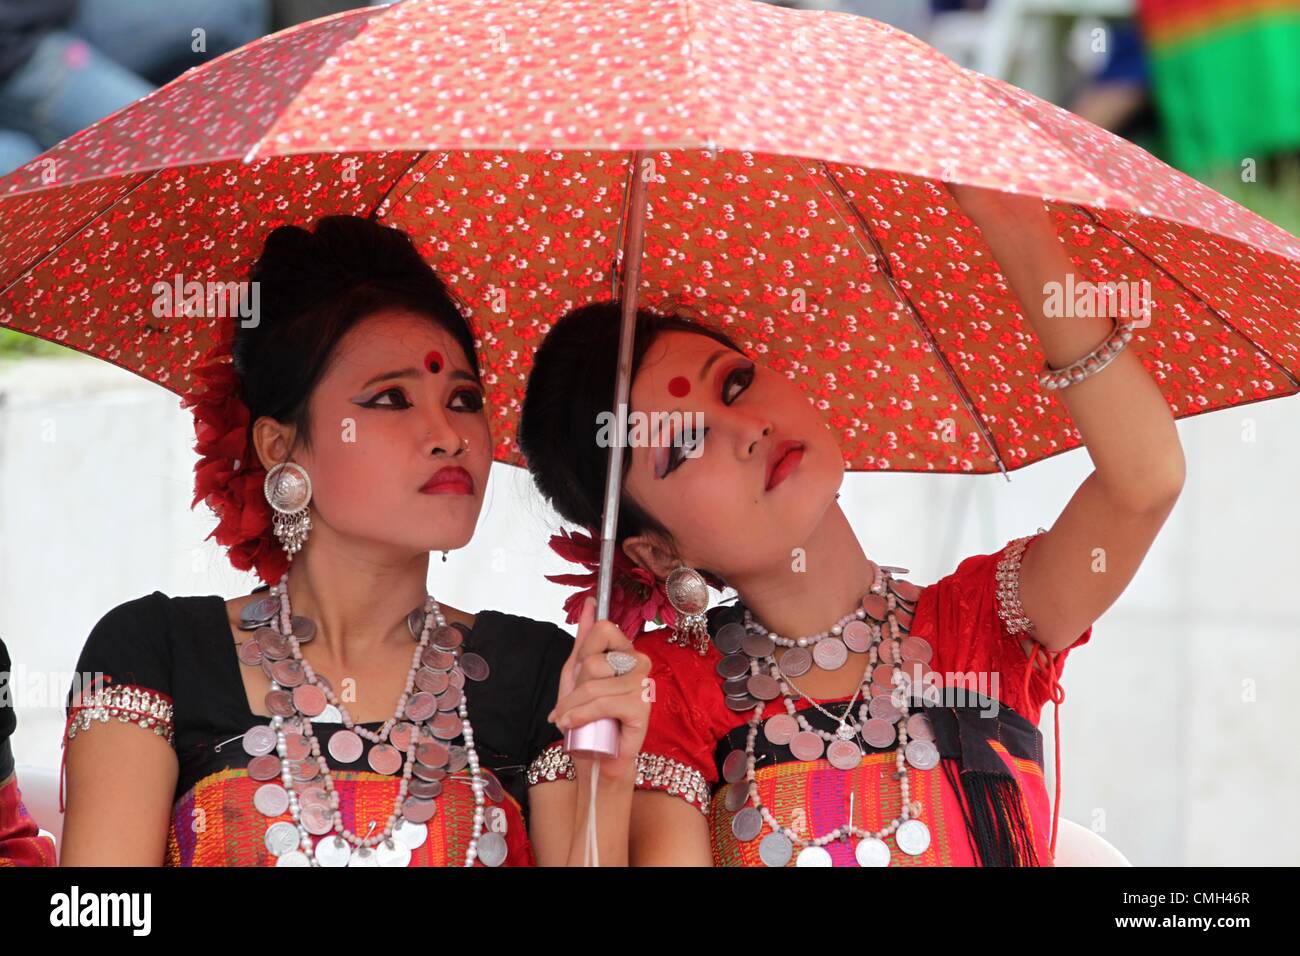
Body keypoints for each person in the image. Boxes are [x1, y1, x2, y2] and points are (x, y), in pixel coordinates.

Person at [519, 184, 1185, 866]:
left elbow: (1144, 483)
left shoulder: (976, 627)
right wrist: (604, 781)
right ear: (657, 552)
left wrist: (1017, 227)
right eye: (685, 445)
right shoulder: (666, 692)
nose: (749, 430)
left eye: (738, 383)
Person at [59, 214, 649, 867]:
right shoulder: (155, 650)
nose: (448, 434)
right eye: (392, 399)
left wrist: (608, 786)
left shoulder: (544, 673)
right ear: (281, 447)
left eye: (463, 398)